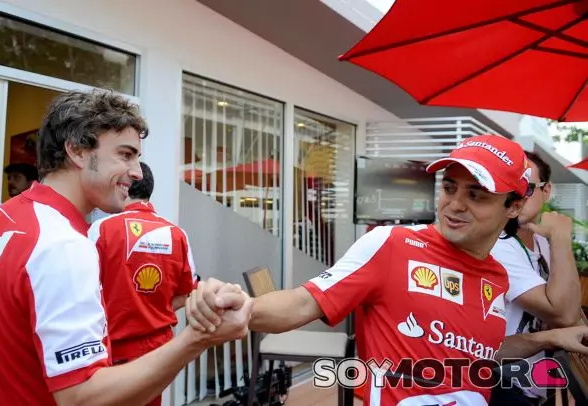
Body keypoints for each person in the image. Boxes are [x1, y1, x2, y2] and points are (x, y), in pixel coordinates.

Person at [186, 134, 588, 405]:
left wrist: (551, 337)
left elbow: (476, 355)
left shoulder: (498, 276)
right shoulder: (392, 245)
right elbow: (300, 302)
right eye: (449, 188)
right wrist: (248, 308)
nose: (455, 205)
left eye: (477, 195)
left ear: (514, 207)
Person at [0, 89, 252, 406]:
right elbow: (82, 397)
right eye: (125, 155)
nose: (138, 172)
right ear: (76, 151)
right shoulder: (63, 245)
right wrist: (198, 337)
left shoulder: (5, 215)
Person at [88, 161, 198, 406]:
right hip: (160, 347)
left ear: (123, 186)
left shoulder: (101, 229)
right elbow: (189, 291)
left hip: (111, 344)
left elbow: (83, 288)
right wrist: (155, 311)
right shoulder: (177, 233)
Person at [489, 151, 580, 405]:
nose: (517, 196)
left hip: (536, 385)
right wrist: (562, 237)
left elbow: (567, 305)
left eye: (526, 187)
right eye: (508, 188)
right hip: (500, 383)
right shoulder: (498, 243)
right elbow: (564, 314)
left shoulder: (541, 241)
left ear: (546, 190)